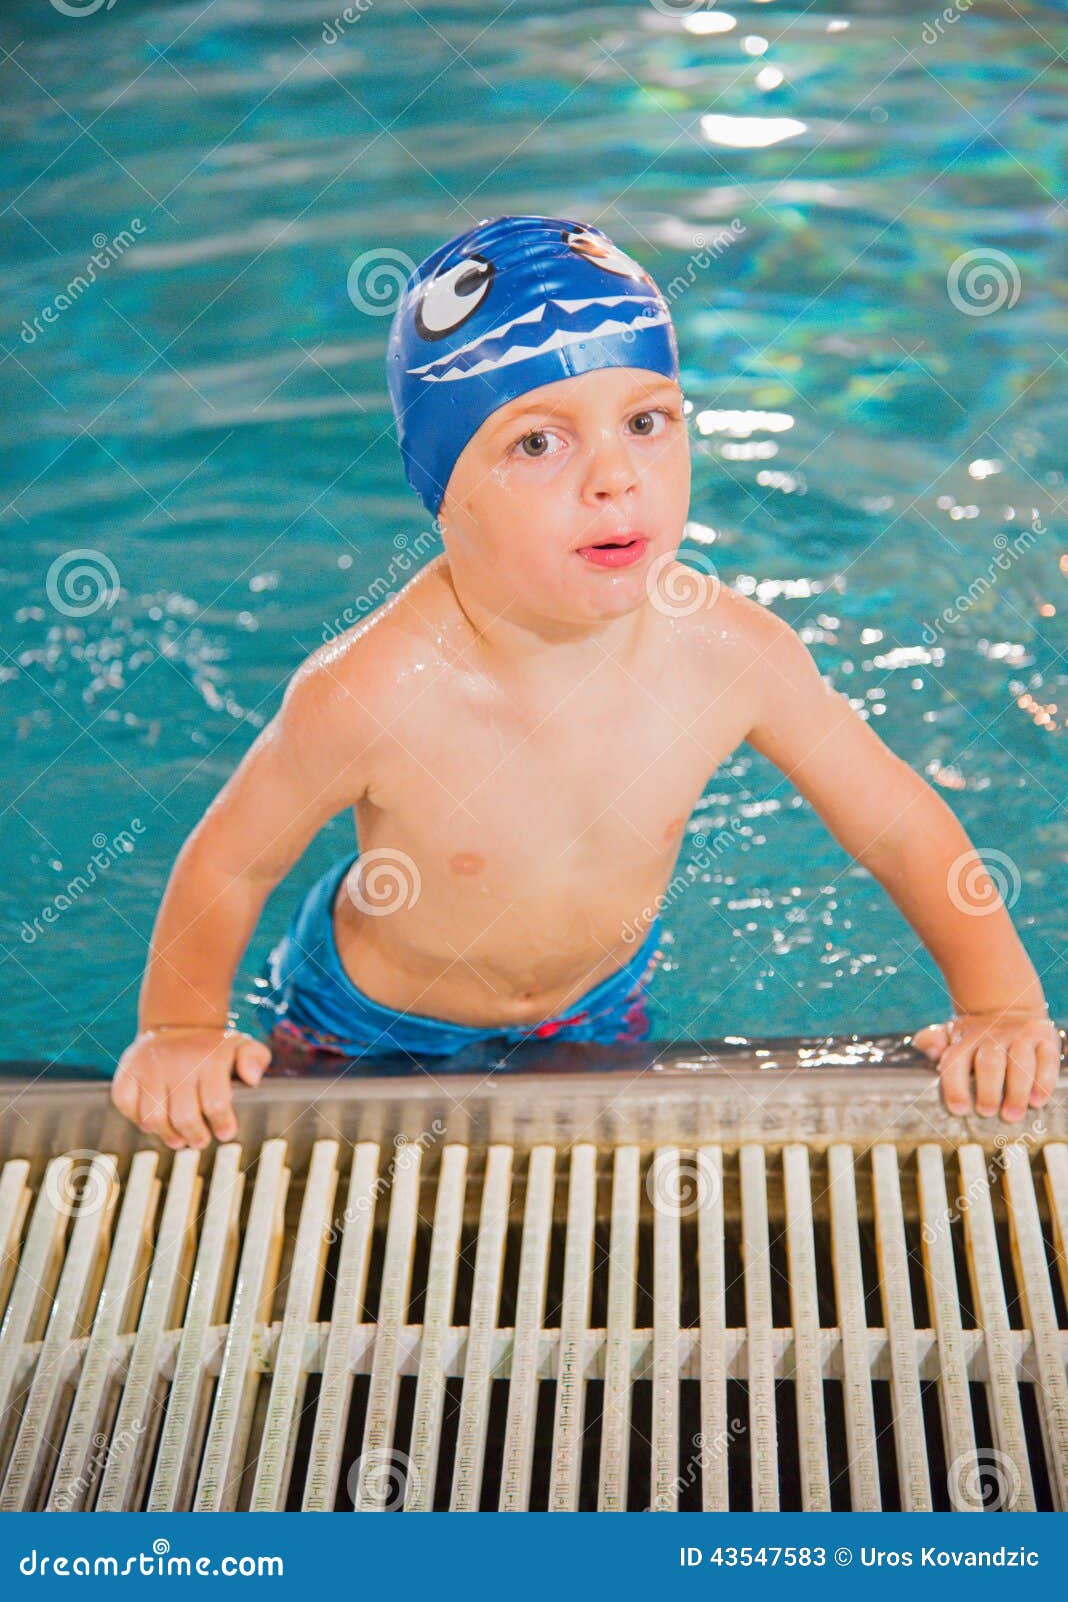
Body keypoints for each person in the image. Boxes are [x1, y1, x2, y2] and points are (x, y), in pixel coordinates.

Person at [110, 214, 1061, 1149]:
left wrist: (1002, 1004)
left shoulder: (732, 653)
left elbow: (897, 823)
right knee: (327, 1206)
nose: (614, 477)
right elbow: (232, 863)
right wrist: (181, 1031)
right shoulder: (371, 691)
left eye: (646, 422)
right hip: (368, 1019)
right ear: (444, 488)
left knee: (598, 1218)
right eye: (537, 443)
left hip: (596, 1002)